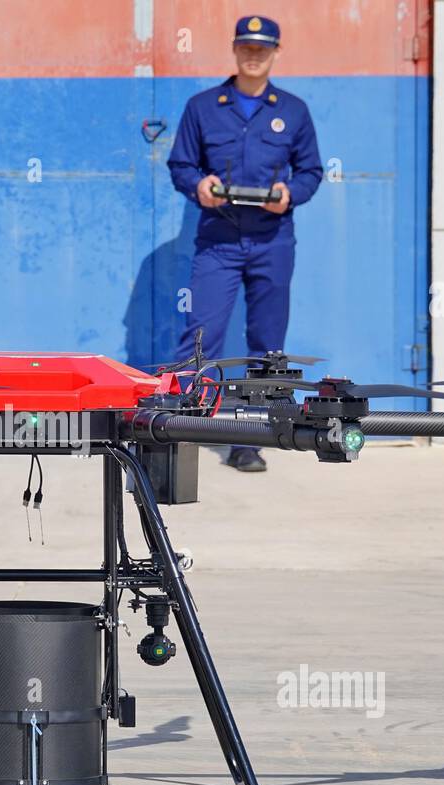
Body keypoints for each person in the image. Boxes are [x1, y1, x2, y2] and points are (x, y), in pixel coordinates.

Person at [167, 15, 323, 472]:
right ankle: (175, 437)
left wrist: (290, 194)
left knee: (267, 345)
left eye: (263, 48)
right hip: (218, 239)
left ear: (276, 52)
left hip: (273, 240)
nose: (253, 55)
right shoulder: (203, 107)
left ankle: (249, 440)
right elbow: (181, 165)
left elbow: (311, 171)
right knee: (199, 337)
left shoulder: (293, 111)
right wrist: (198, 186)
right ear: (235, 50)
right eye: (246, 47)